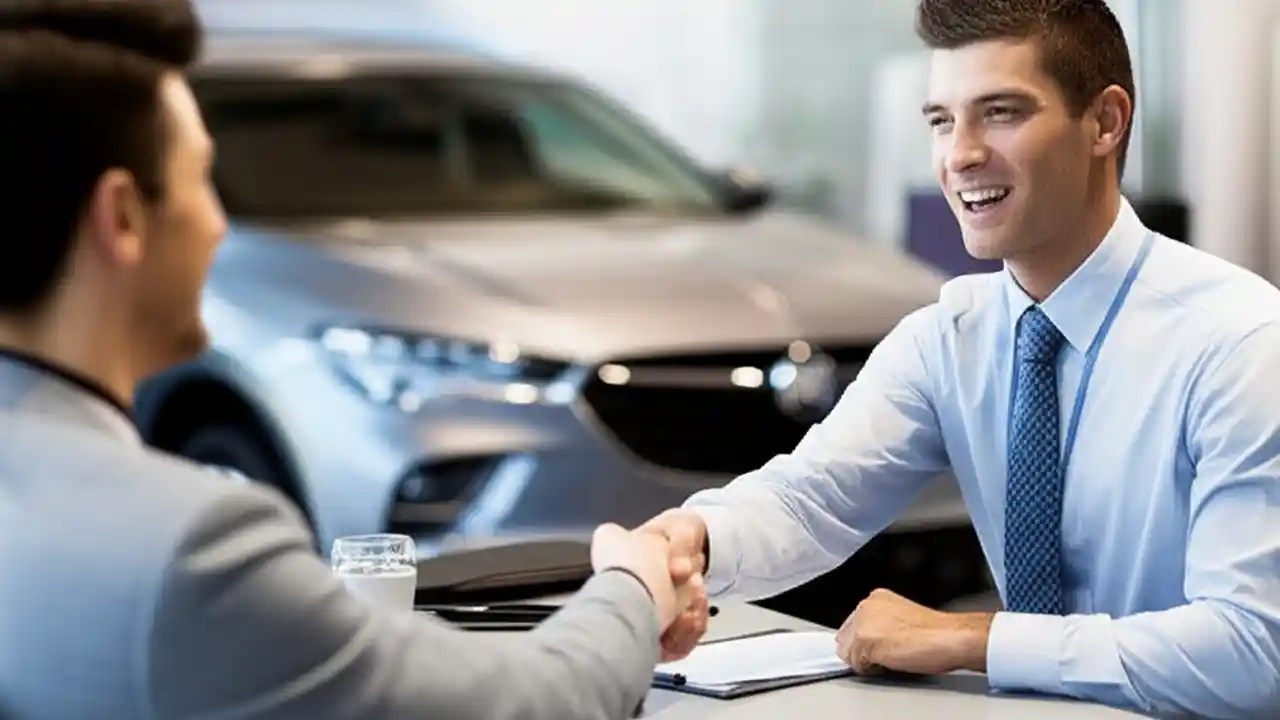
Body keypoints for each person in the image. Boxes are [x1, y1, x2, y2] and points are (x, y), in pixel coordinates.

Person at [0, 2, 702, 718]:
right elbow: (535, 705)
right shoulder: (185, 549)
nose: (215, 226)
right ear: (121, 217)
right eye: (203, 178)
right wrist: (633, 587)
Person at [642, 0, 1280, 717]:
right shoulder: (948, 338)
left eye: (1001, 112)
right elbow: (810, 500)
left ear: (1105, 122)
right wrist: (690, 541)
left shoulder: (1242, 344)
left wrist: (974, 639)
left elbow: (1253, 652)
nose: (959, 155)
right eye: (941, 121)